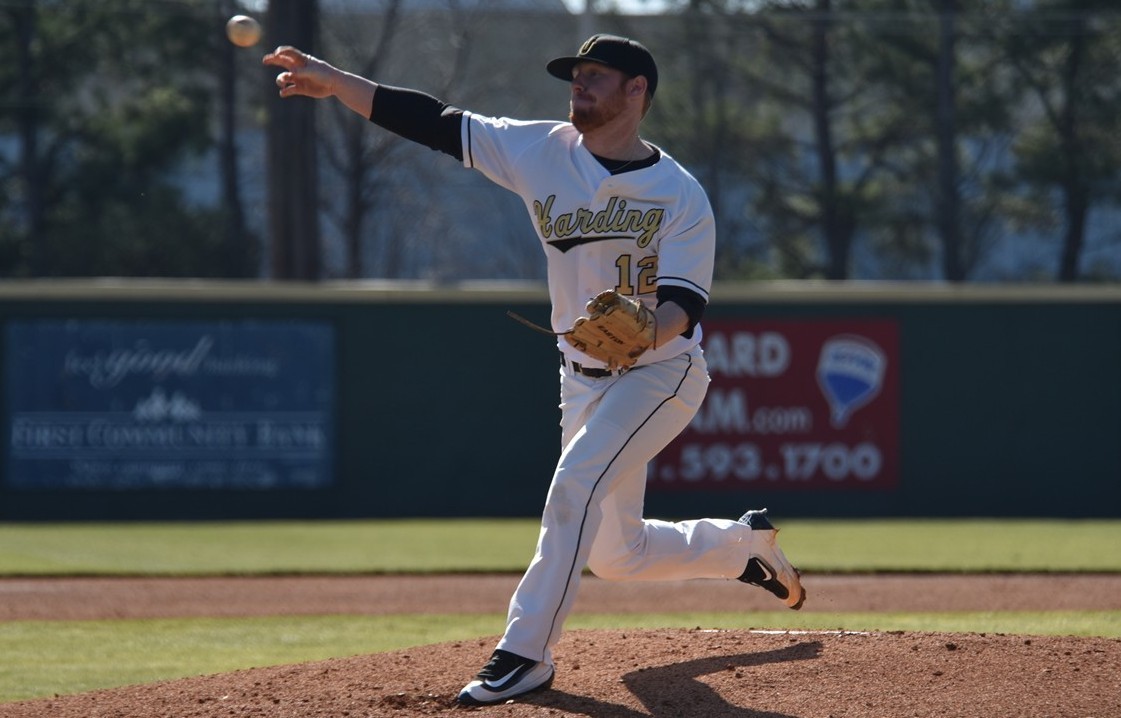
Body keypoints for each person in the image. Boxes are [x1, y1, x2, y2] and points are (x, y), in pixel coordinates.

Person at [263, 32, 806, 707]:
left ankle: (523, 654)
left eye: (596, 76)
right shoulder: (539, 150)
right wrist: (335, 81)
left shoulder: (679, 193)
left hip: (660, 377)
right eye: (575, 75)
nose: (578, 85)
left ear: (637, 91)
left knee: (570, 487)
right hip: (579, 377)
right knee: (616, 554)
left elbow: (685, 305)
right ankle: (741, 546)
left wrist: (642, 333)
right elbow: (433, 122)